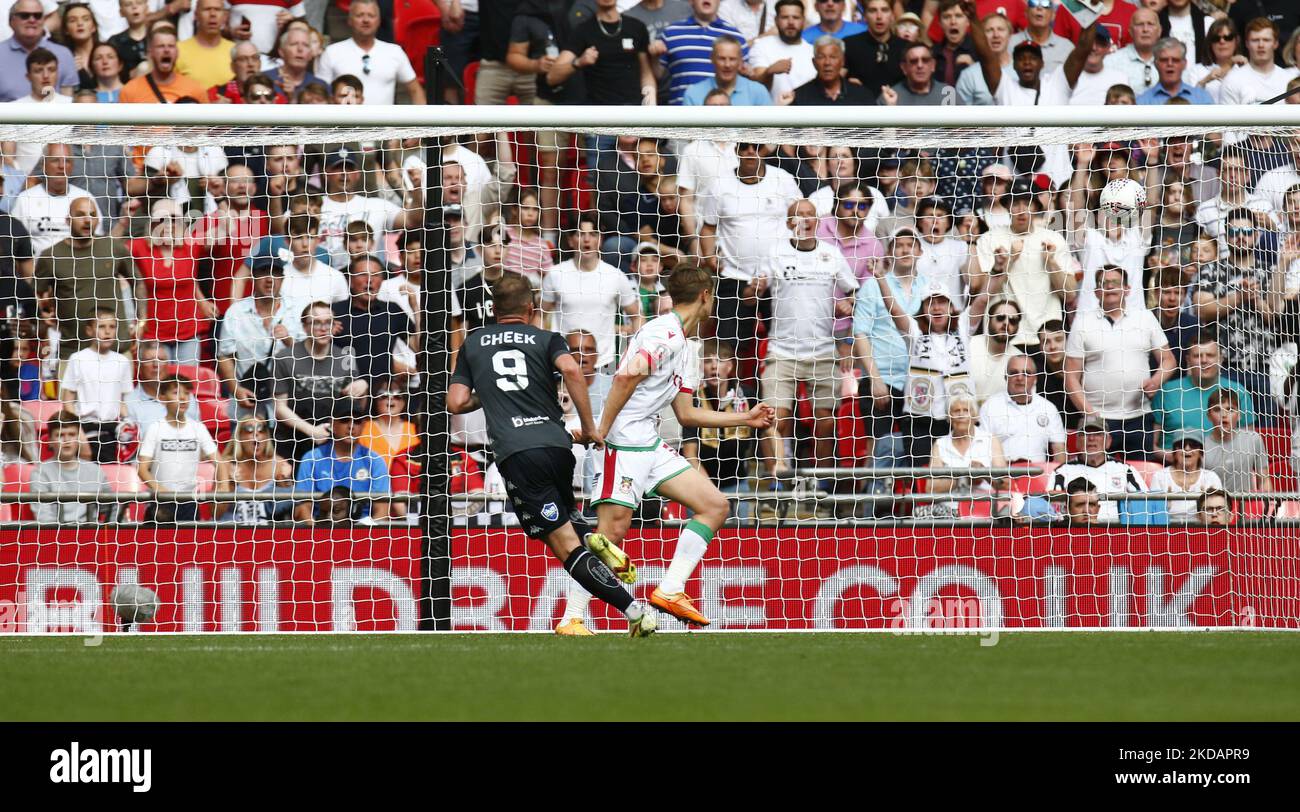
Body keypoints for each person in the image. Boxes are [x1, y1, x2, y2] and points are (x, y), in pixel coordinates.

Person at [555, 265, 774, 630]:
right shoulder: (665, 333)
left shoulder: (686, 345)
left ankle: (671, 589)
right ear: (705, 296)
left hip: (649, 441)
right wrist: (602, 428)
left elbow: (687, 414)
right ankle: (572, 617)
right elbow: (627, 375)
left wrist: (745, 419)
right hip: (623, 439)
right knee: (611, 533)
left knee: (714, 506)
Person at [447, 272, 659, 637]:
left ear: (493, 308)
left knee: (563, 548)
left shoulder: (473, 342)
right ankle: (596, 541)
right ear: (531, 309)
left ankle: (635, 610)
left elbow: (457, 401)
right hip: (559, 446)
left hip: (517, 453)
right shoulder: (547, 338)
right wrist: (591, 427)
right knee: (569, 525)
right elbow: (573, 369)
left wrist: (495, 394)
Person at [754, 198, 858, 477]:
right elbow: (751, 295)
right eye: (798, 215)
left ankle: (820, 483)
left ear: (817, 221)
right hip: (782, 351)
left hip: (823, 351)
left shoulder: (832, 254)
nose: (804, 219)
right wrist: (755, 289)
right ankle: (778, 480)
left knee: (825, 421)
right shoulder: (774, 253)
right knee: (775, 417)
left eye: (810, 214)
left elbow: (855, 292)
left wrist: (850, 303)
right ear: (789, 223)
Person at [871, 265, 981, 467]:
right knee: (922, 473)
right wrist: (880, 279)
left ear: (951, 307)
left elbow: (983, 301)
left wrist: (1001, 269)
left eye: (942, 302)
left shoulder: (963, 328)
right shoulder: (914, 332)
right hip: (920, 419)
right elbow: (893, 309)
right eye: (931, 303)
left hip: (958, 417)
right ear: (923, 309)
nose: (937, 308)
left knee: (959, 467)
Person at [1065, 265, 1176, 460]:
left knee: (1139, 480)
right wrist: (1090, 414)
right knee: (1094, 478)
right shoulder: (1082, 322)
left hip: (1139, 417)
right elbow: (1071, 378)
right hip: (1098, 421)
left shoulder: (1145, 317)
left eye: (1115, 283)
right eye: (1104, 284)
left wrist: (1157, 380)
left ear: (1127, 289)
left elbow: (1168, 359)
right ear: (1097, 292)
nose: (1109, 287)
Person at [540, 212, 643, 402]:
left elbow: (636, 315)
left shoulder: (615, 275)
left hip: (604, 366)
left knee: (601, 427)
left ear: (600, 240)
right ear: (571, 240)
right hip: (563, 366)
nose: (587, 239)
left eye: (593, 234)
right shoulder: (555, 274)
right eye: (580, 234)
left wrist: (635, 353)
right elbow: (540, 314)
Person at [32, 195, 135, 361]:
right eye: (80, 214)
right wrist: (43, 313)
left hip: (116, 351)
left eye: (93, 215)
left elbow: (138, 282)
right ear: (68, 220)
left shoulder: (114, 248)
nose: (87, 220)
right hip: (72, 352)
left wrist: (142, 318)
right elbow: (34, 294)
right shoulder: (50, 256)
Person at [272, 300, 368, 464]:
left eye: (328, 322)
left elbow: (355, 409)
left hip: (331, 442)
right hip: (291, 441)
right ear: (305, 327)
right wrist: (311, 430)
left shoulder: (346, 357)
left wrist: (363, 386)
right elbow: (279, 408)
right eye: (316, 323)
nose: (323, 328)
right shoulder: (285, 357)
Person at [217, 254, 308, 419]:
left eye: (275, 273)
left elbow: (309, 358)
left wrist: (288, 340)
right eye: (264, 273)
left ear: (282, 278)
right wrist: (235, 390)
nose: (270, 279)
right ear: (253, 277)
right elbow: (224, 356)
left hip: (288, 400)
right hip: (248, 398)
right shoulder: (236, 312)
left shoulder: (297, 311)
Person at [129, 198, 216, 365]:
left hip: (188, 330)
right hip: (152, 331)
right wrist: (124, 220)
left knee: (187, 383)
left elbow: (228, 229)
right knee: (157, 385)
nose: (168, 224)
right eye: (162, 219)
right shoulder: (138, 247)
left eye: (174, 218)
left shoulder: (191, 244)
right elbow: (109, 255)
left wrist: (219, 200)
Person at [1152, 336, 1256, 462]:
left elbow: (1248, 444)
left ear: (1220, 359)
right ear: (1188, 360)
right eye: (1197, 356)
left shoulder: (1238, 392)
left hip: (1224, 467)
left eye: (1210, 355)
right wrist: (1176, 458)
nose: (1204, 360)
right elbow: (1151, 445)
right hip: (1173, 467)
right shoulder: (1167, 391)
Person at [138, 374, 225, 524]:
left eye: (186, 393)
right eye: (176, 393)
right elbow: (142, 470)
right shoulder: (155, 428)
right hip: (160, 502)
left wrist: (223, 486)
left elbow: (219, 461)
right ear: (162, 398)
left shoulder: (198, 428)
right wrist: (164, 493)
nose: (183, 398)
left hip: (188, 502)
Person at [293, 400, 392, 525]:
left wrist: (365, 536)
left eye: (357, 421)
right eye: (345, 420)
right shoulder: (311, 459)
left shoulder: (375, 461)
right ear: (332, 424)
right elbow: (303, 507)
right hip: (321, 529)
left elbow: (382, 511)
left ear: (363, 426)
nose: (351, 426)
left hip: (363, 532)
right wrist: (316, 533)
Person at [316, 0, 425, 105]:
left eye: (371, 15)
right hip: (344, 122)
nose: (366, 20)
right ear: (349, 20)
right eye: (360, 15)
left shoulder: (394, 52)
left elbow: (415, 90)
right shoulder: (332, 52)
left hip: (385, 123)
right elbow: (320, 94)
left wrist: (421, 121)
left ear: (379, 21)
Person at [547, 0, 655, 106]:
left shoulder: (636, 27)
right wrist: (579, 62)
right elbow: (552, 77)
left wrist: (650, 102)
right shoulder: (583, 31)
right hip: (599, 112)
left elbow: (646, 72)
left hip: (633, 108)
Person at [60, 308, 132, 464]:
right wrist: (79, 433)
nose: (107, 332)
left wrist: (129, 424)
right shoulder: (77, 359)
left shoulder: (122, 362)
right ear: (89, 330)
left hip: (113, 431)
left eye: (112, 327)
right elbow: (67, 402)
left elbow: (124, 402)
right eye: (101, 326)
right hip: (85, 428)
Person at [332, 254, 414, 388]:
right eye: (362, 274)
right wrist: (325, 333)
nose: (369, 280)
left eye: (375, 275)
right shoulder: (334, 312)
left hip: (383, 395)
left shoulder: (392, 310)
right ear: (350, 280)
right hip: (345, 391)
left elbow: (420, 346)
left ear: (382, 280)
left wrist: (415, 307)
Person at [1050, 416, 1149, 523]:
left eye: (1098, 434)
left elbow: (1145, 503)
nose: (1091, 438)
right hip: (1077, 531)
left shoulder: (1125, 470)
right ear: (1077, 441)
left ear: (1109, 441)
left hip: (1119, 530)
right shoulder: (1061, 472)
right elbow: (1054, 510)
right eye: (1085, 434)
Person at [11, 144, 105, 257]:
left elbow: (98, 240)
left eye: (67, 161)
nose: (61, 166)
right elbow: (14, 242)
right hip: (38, 271)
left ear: (72, 166)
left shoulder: (86, 198)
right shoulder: (25, 199)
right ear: (44, 165)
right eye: (55, 160)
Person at [978, 353, 1066, 465]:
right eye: (1014, 373)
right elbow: (981, 449)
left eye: (1026, 373)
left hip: (1039, 476)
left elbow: (1059, 452)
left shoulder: (1048, 408)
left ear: (1035, 378)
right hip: (1001, 475)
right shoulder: (990, 406)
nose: (1020, 378)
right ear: (1006, 377)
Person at [656, 0, 747, 106]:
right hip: (680, 113)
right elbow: (658, 75)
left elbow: (744, 77)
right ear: (690, 1)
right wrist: (654, 57)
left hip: (724, 115)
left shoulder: (736, 36)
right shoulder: (671, 33)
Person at [929, 394, 1007, 515]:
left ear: (975, 416)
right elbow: (930, 488)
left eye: (966, 410)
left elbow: (1006, 483)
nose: (961, 414)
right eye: (956, 411)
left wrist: (984, 473)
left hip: (986, 508)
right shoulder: (940, 444)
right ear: (949, 417)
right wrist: (963, 478)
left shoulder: (991, 440)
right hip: (949, 510)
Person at [30, 413, 110, 524]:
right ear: (50, 440)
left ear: (78, 438)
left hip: (91, 534)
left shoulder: (95, 471)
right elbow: (43, 515)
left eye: (71, 434)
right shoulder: (40, 473)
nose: (66, 440)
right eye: (60, 435)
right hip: (54, 535)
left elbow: (110, 509)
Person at [217, 414, 295, 524]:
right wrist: (231, 484)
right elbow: (216, 513)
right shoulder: (226, 465)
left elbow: (290, 505)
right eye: (249, 430)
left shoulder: (278, 464)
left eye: (261, 429)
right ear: (239, 437)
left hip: (265, 532)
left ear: (266, 436)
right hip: (231, 530)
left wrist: (286, 480)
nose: (256, 433)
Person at [0, 0, 77, 103]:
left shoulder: (63, 54)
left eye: (37, 15)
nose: (32, 20)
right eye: (24, 16)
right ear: (11, 21)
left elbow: (68, 104)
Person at [125, 339, 202, 441]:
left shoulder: (185, 396)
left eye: (161, 359)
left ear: (167, 364)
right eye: (149, 360)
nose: (156, 365)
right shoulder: (129, 402)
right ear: (138, 366)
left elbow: (199, 437)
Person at [1203, 387, 1271, 495]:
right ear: (1209, 416)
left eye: (1230, 409)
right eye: (1217, 409)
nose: (1224, 415)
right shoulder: (1201, 446)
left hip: (1245, 506)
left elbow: (1264, 480)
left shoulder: (1253, 439)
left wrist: (1267, 507)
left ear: (1239, 415)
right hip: (1213, 507)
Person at [1218, 17, 1298, 106]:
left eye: (1266, 40)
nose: (1261, 45)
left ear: (1275, 43)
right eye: (1255, 40)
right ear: (1247, 44)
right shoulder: (1232, 81)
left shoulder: (1290, 80)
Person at [745, 0, 814, 103]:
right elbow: (756, 86)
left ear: (803, 21)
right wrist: (769, 72)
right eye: (785, 17)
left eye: (796, 17)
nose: (790, 22)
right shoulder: (761, 46)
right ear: (776, 20)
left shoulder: (812, 51)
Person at [119, 26, 208, 103]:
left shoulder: (196, 90)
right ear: (150, 52)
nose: (166, 50)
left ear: (177, 52)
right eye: (160, 46)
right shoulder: (130, 91)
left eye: (171, 46)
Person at [1148, 431, 1222, 521]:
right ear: (1174, 451)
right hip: (1166, 529)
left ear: (1201, 452)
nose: (1187, 449)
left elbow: (1220, 514)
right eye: (1181, 445)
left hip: (1202, 529)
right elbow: (1153, 513)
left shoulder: (1211, 478)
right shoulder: (1160, 476)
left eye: (1193, 445)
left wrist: (1205, 505)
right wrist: (1166, 506)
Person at [682, 34, 769, 105]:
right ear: (712, 59)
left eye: (732, 59)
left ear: (740, 61)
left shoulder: (758, 92)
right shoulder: (693, 94)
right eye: (722, 58)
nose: (727, 65)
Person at [789, 35, 876, 105]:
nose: (827, 63)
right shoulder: (799, 97)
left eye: (833, 57)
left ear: (842, 61)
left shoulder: (861, 95)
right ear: (814, 62)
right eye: (821, 57)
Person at [842, 0, 907, 92]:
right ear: (864, 16)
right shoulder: (849, 45)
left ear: (892, 15)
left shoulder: (906, 48)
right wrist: (845, 84)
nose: (879, 16)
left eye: (884, 10)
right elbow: (834, 82)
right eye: (872, 11)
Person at [176, 0, 235, 90]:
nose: (212, 14)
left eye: (217, 10)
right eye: (207, 9)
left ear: (225, 17)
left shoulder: (235, 51)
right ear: (196, 15)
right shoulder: (177, 50)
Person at [879, 40, 959, 106]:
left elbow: (966, 124)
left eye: (925, 60)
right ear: (904, 68)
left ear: (933, 65)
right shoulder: (889, 98)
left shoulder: (949, 93)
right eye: (913, 61)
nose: (920, 65)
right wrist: (891, 109)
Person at [1103, 6, 1161, 95]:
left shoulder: (1170, 61)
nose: (1145, 29)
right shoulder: (1111, 62)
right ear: (1130, 31)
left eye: (1150, 24)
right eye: (1139, 24)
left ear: (1159, 31)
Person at [1137, 37, 1214, 103]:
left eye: (1175, 60)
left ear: (1184, 64)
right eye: (1164, 60)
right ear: (1155, 64)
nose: (1170, 64)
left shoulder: (1202, 99)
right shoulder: (1142, 102)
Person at [1009, 0, 1072, 71]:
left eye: (1045, 3)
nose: (1039, 8)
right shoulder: (1010, 44)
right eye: (1033, 2)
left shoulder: (1066, 47)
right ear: (1026, 13)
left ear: (1053, 15)